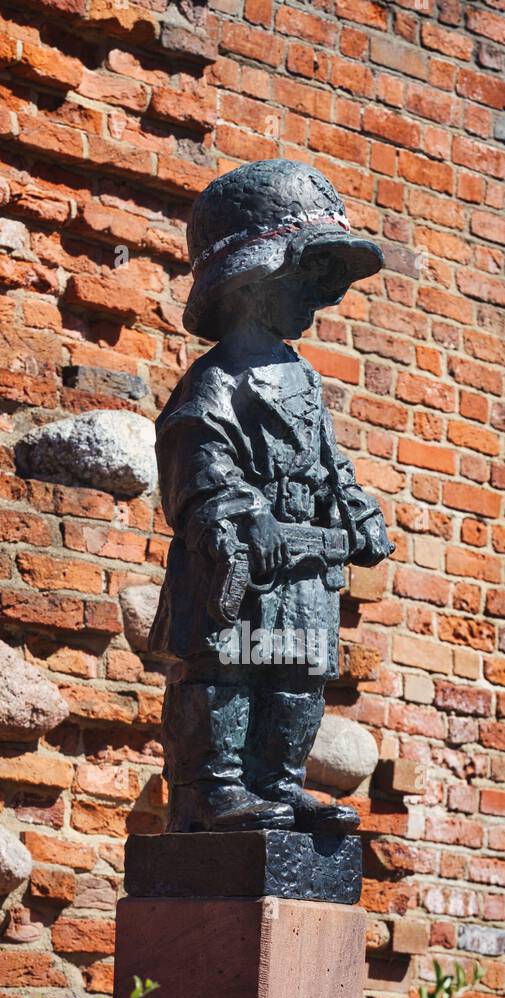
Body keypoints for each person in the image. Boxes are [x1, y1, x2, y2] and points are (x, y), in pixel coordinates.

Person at [149, 159, 392, 834]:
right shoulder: (216, 381)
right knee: (226, 670)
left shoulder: (303, 379)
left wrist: (356, 508)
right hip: (237, 560)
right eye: (304, 278)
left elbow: (328, 461)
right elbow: (199, 457)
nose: (316, 299)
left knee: (295, 677)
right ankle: (213, 789)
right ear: (254, 282)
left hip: (304, 565)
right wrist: (236, 516)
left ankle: (280, 787)